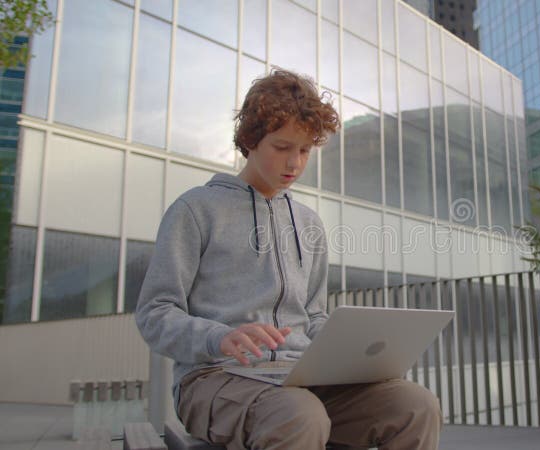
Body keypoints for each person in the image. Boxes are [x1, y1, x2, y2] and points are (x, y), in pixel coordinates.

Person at [135, 69, 441, 450]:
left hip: (297, 379)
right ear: (250, 140)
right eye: (282, 147)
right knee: (300, 415)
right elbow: (155, 313)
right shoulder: (196, 210)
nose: (294, 163)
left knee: (415, 406)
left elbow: (312, 316)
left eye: (305, 150)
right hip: (214, 378)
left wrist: (349, 350)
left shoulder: (309, 224)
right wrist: (219, 337)